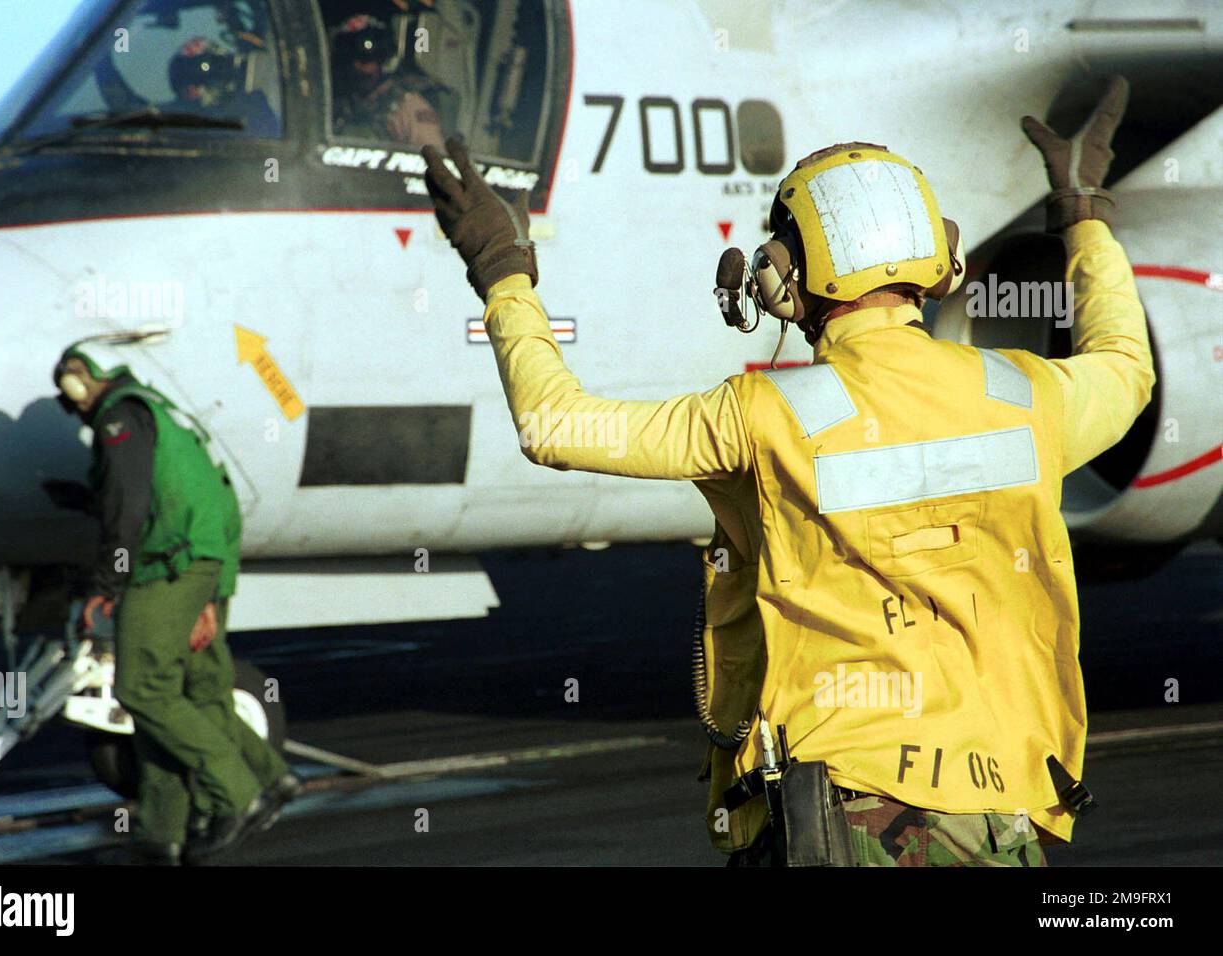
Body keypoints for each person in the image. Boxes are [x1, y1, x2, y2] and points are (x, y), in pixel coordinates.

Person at [420, 76, 1153, 866]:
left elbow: (553, 424)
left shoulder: (760, 416)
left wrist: (503, 270)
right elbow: (1126, 365)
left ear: (781, 280)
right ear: (942, 255)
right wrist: (1084, 218)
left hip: (838, 814)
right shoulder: (1027, 396)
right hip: (1000, 817)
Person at [50, 338, 297, 864]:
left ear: (77, 383)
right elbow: (197, 495)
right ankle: (171, 830)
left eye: (70, 398)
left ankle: (238, 793)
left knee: (143, 689)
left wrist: (107, 585)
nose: (74, 410)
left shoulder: (120, 419)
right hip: (203, 557)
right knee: (196, 691)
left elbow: (129, 508)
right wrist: (211, 587)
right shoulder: (156, 410)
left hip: (168, 565)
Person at [328, 9, 448, 149]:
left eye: (368, 58)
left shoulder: (407, 107)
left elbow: (433, 162)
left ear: (383, 59)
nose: (361, 67)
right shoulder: (337, 105)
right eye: (351, 58)